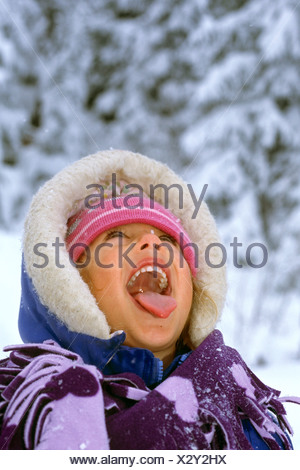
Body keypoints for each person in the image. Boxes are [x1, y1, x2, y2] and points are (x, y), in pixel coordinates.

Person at [0, 150, 298, 450]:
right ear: (69, 286)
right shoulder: (27, 405)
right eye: (116, 235)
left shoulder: (240, 407)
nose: (153, 242)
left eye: (168, 240)